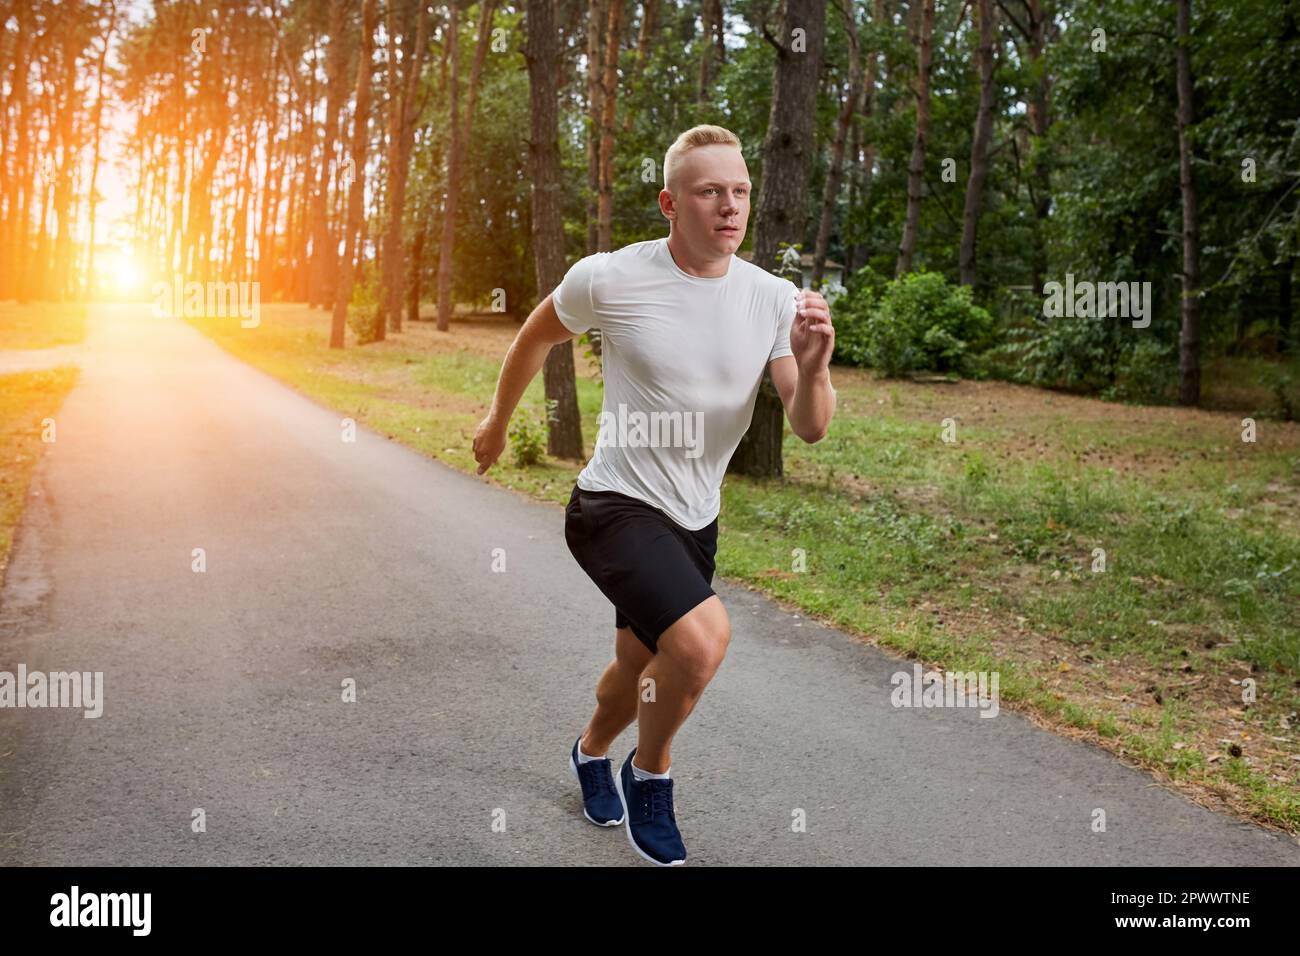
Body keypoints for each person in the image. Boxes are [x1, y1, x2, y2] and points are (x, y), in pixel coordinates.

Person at [473, 124, 836, 865]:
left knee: (637, 673)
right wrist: (497, 422)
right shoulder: (609, 277)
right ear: (671, 202)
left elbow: (808, 428)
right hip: (613, 506)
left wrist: (817, 366)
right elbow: (534, 339)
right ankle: (652, 774)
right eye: (710, 192)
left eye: (739, 192)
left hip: (693, 523)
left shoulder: (771, 298)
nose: (729, 208)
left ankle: (590, 749)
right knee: (701, 646)